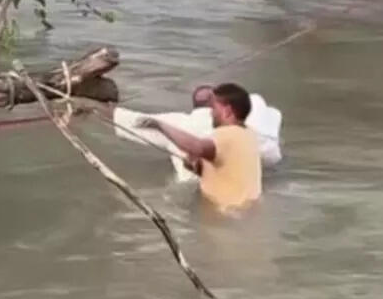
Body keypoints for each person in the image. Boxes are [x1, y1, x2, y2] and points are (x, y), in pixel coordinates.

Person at [111, 85, 283, 181]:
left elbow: (123, 120)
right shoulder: (247, 126)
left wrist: (160, 125)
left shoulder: (178, 122)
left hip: (193, 191)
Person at [137, 82, 262, 211]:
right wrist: (197, 168)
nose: (211, 113)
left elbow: (197, 147)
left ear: (227, 111)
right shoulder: (248, 134)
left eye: (213, 108)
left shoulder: (227, 134)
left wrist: (160, 126)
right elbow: (228, 169)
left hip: (225, 214)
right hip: (245, 211)